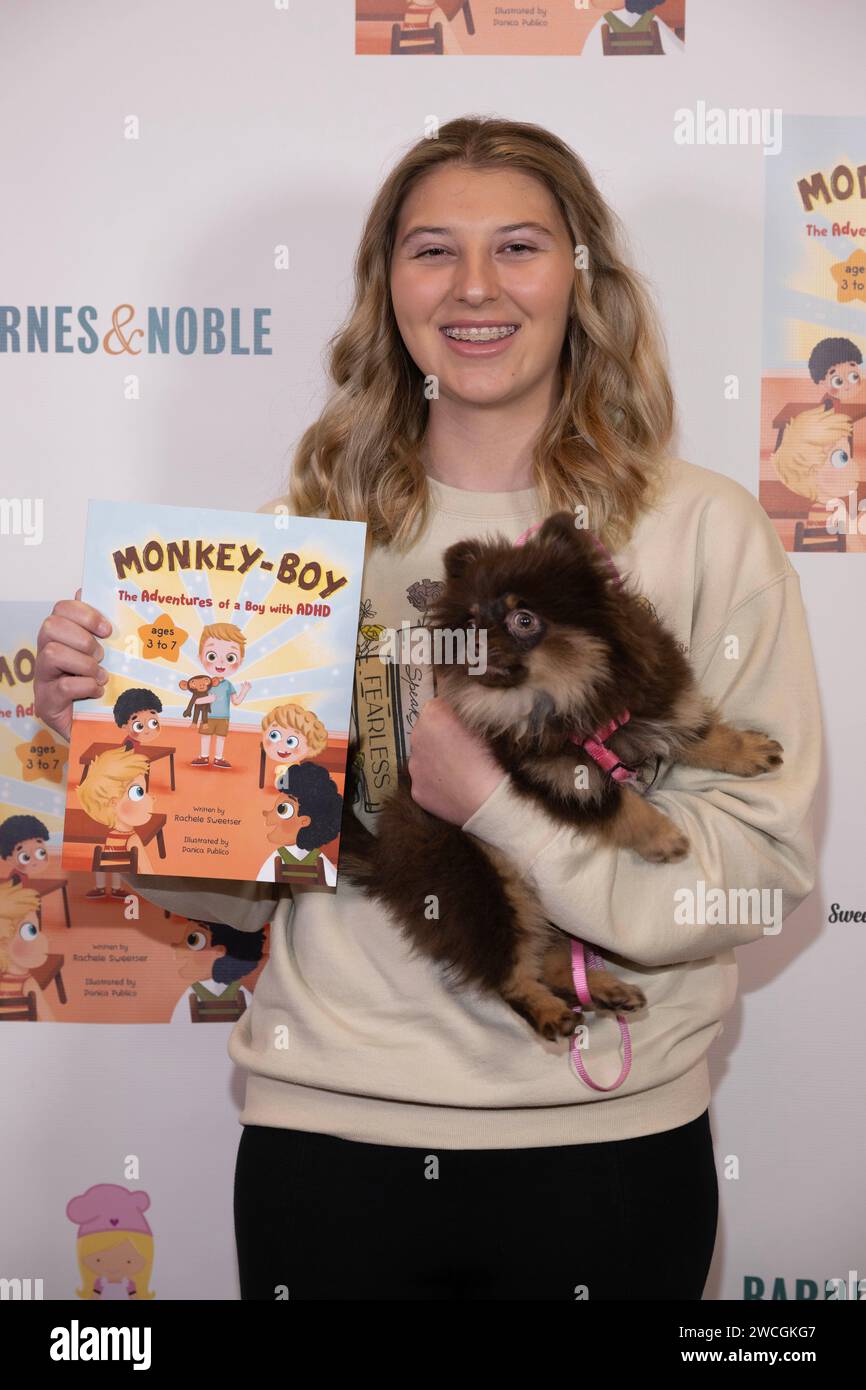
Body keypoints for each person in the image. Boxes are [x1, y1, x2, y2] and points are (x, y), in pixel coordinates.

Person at [34, 115, 821, 1301]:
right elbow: (225, 881)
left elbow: (753, 868)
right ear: (384, 286)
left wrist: (501, 809)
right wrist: (115, 751)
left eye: (517, 246)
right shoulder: (285, 549)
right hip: (327, 1150)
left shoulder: (701, 528)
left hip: (603, 1154)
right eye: (429, 250)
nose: (472, 288)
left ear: (581, 277)